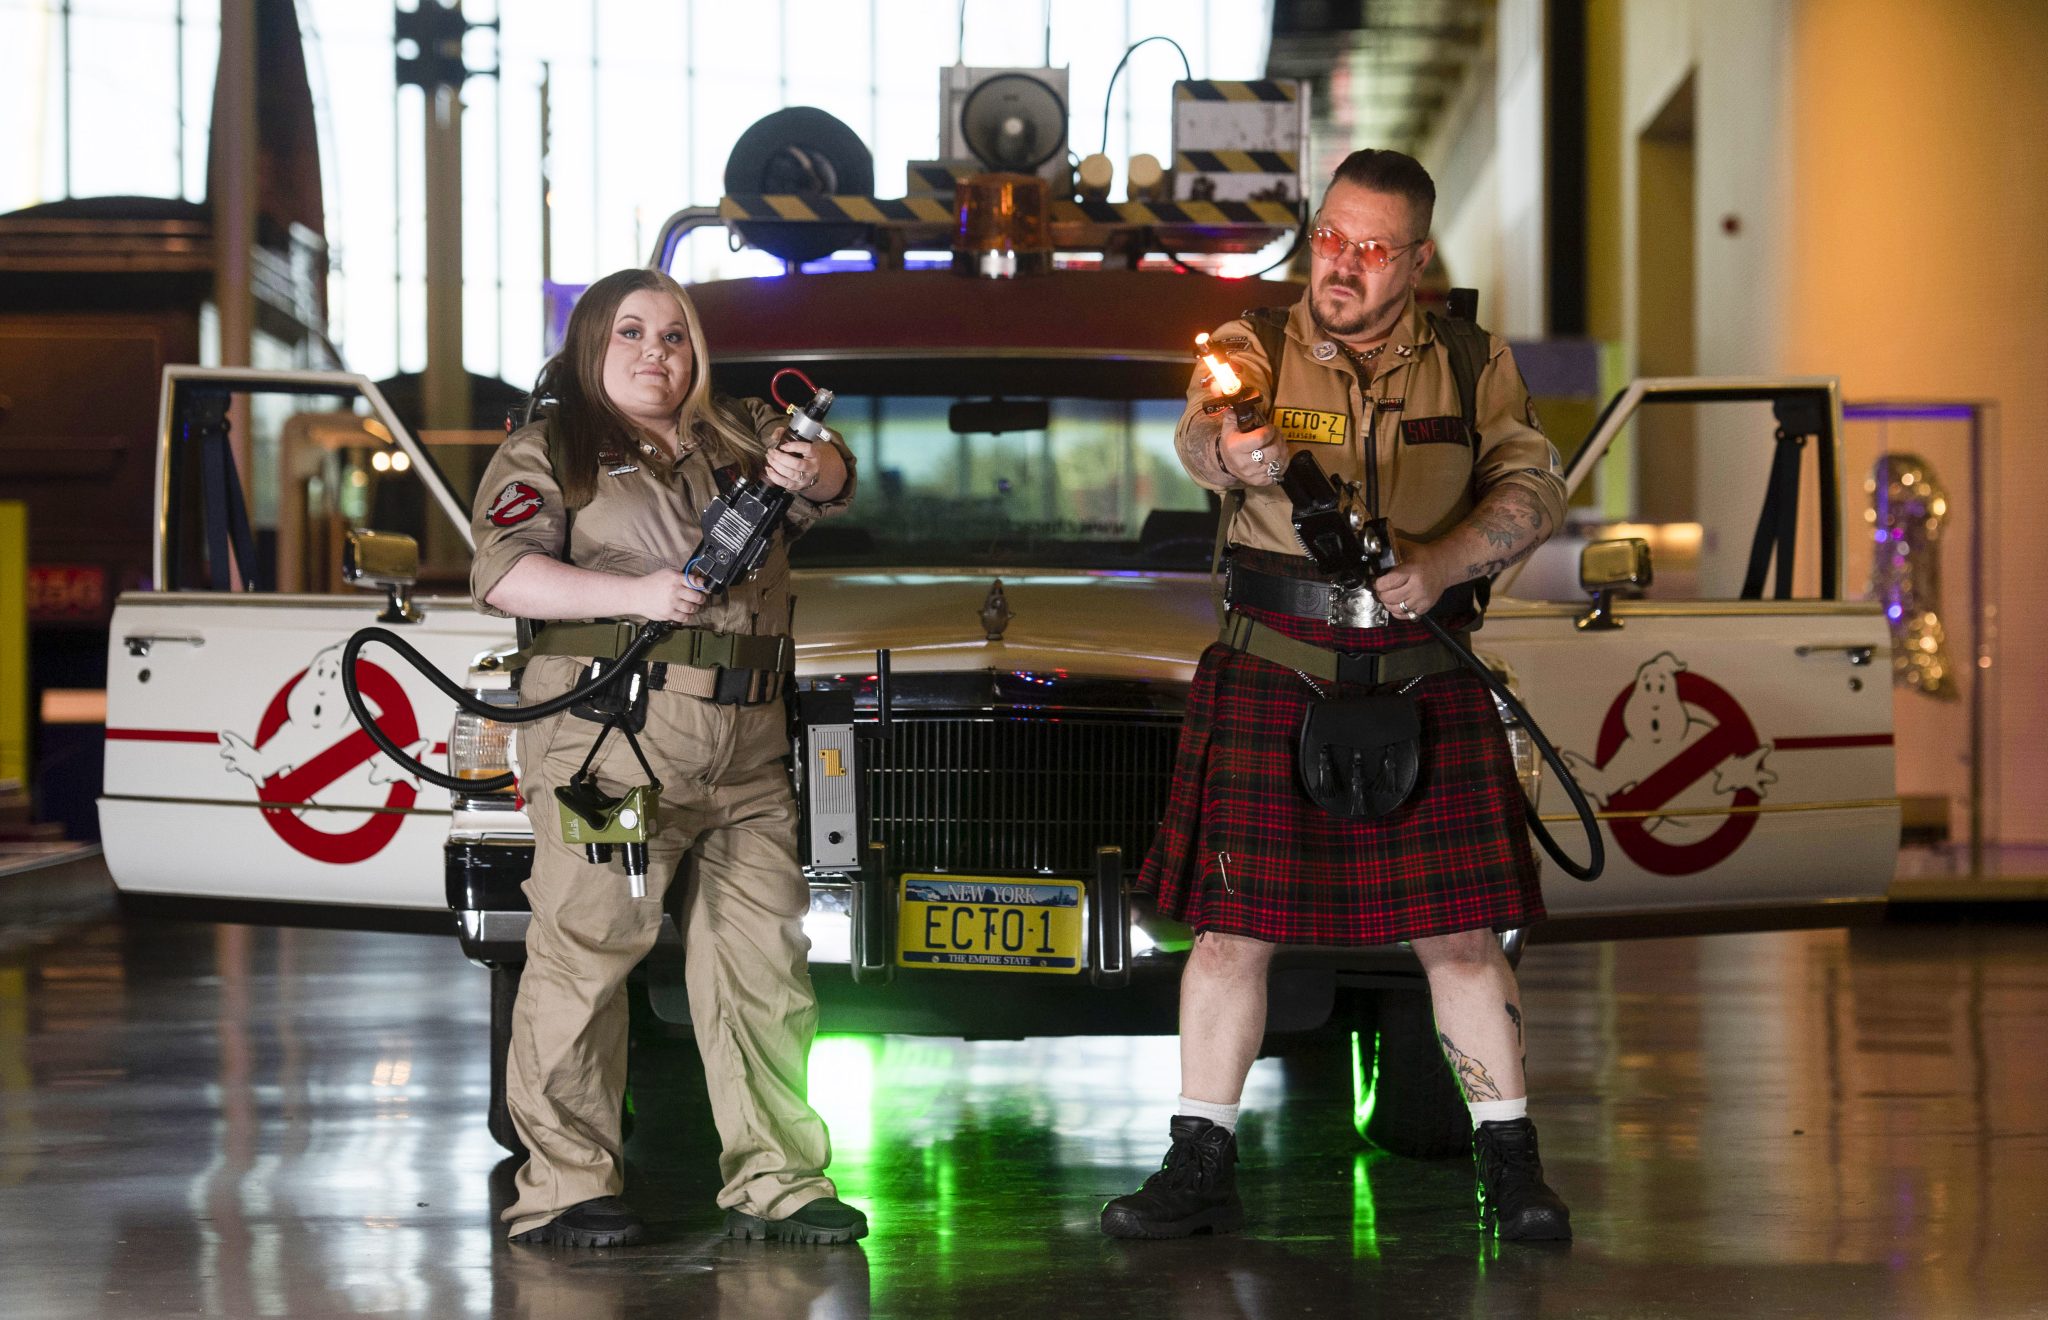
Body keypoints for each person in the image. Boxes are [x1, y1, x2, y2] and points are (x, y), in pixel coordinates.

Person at [1100, 149, 1572, 1242]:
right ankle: (1198, 1168)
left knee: (1460, 937)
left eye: (1369, 248)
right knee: (1228, 933)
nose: (1340, 266)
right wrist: (1237, 455)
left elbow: (1531, 482)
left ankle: (1511, 1170)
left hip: (1417, 666)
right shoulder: (1247, 348)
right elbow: (1197, 439)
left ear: (1414, 258)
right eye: (1327, 237)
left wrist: (1447, 560)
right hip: (1275, 666)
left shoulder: (1470, 358)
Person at [469, 267, 866, 1248]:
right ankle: (563, 1189)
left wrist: (804, 469)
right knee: (587, 954)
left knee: (762, 965)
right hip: (615, 746)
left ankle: (778, 1182)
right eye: (632, 334)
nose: (657, 352)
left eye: (675, 335)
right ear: (592, 347)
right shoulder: (549, 451)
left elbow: (836, 476)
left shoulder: (734, 436)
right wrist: (639, 594)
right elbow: (505, 576)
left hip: (746, 752)